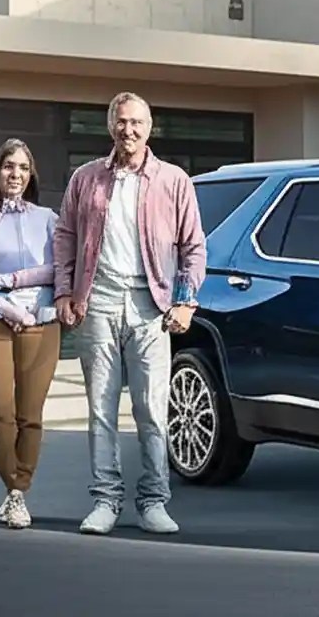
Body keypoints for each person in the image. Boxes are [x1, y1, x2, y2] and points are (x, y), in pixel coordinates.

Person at [53, 91, 206, 535]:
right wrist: (64, 292)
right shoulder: (87, 178)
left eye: (137, 122)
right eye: (121, 122)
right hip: (97, 298)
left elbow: (193, 247)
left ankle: (154, 500)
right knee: (101, 407)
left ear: (150, 126)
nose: (129, 130)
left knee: (151, 409)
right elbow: (65, 235)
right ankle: (105, 500)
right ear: (110, 126)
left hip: (150, 305)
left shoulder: (173, 180)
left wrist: (184, 301)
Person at [0, 138, 62, 530]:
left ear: (30, 173)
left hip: (40, 321)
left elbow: (55, 270)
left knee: (30, 415)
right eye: (8, 166)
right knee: (2, 413)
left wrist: (14, 284)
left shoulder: (48, 219)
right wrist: (12, 309)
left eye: (22, 167)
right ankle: (14, 491)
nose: (15, 174)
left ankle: (20, 490)